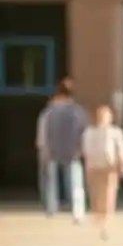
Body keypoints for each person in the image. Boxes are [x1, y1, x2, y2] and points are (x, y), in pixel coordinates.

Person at [36, 78, 89, 222]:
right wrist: (82, 149)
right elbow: (84, 131)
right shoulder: (78, 111)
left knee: (51, 181)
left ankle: (51, 209)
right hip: (73, 151)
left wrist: (43, 148)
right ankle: (78, 213)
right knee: (75, 183)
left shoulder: (49, 111)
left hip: (53, 149)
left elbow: (43, 132)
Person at [81, 104, 123, 239]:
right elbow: (86, 150)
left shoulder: (115, 132)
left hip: (109, 167)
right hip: (94, 166)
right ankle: (98, 218)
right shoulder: (89, 132)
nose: (103, 118)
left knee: (108, 193)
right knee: (96, 194)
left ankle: (106, 220)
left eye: (105, 115)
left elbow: (121, 149)